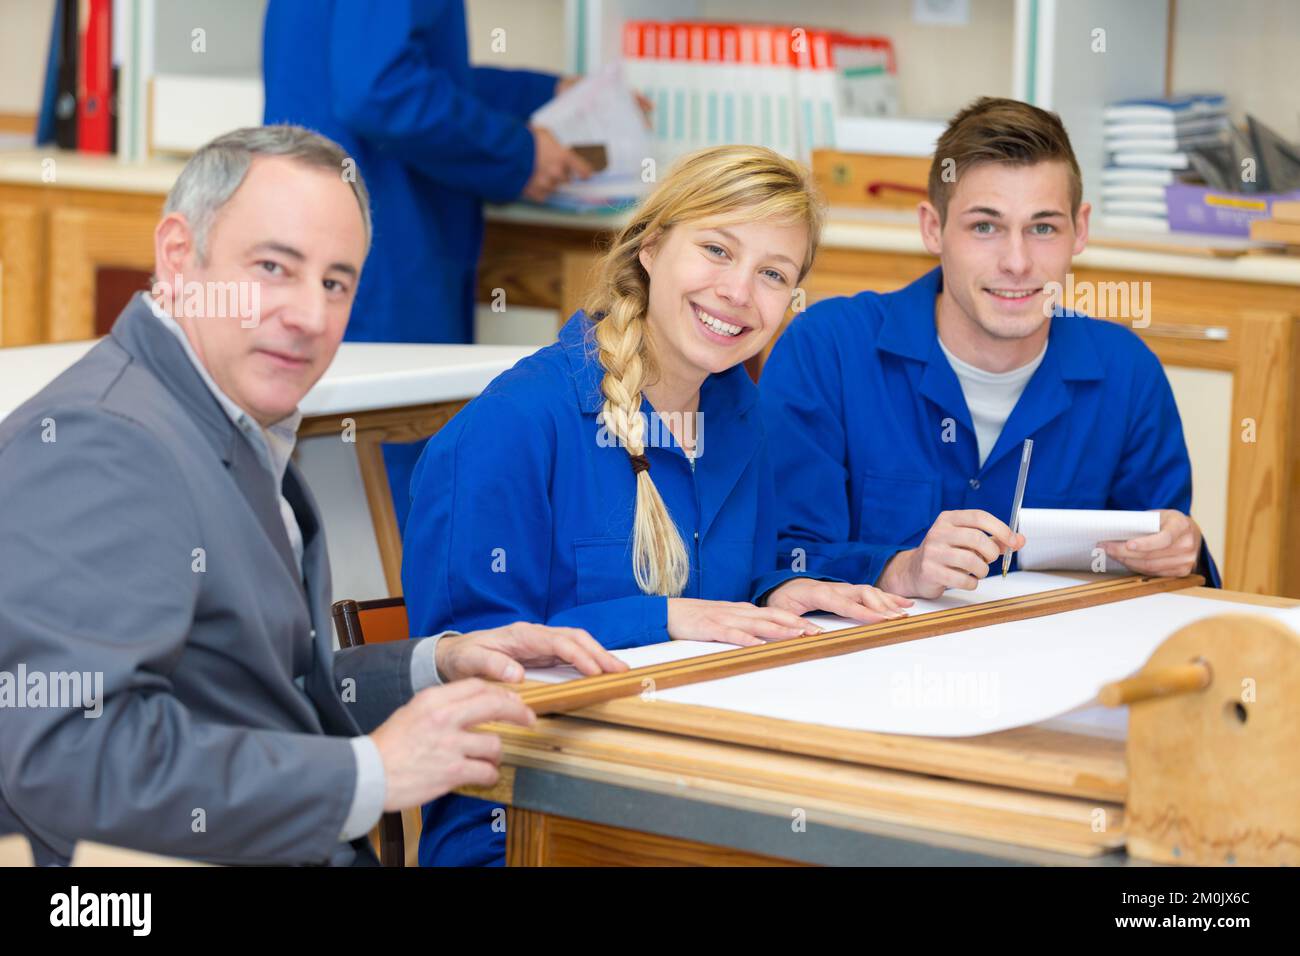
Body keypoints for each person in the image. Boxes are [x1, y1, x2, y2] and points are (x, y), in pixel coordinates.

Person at [0, 126, 624, 866]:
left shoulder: (221, 413)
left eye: (336, 282)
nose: (309, 316)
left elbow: (262, 696)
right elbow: (69, 756)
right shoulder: (101, 442)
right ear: (177, 256)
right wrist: (371, 774)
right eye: (272, 267)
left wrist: (436, 664)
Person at [402, 144, 913, 865]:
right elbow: (479, 673)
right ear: (652, 245)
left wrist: (782, 589)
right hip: (525, 824)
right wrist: (666, 619)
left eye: (773, 274)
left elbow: (728, 588)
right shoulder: (512, 428)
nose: (739, 292)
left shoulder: (745, 419)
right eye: (716, 249)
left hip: (701, 794)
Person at [759, 97, 1220, 599]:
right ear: (933, 228)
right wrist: (899, 569)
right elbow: (778, 558)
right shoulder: (826, 350)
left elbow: (1167, 586)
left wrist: (1183, 551)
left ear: (1079, 230)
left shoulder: (1129, 375)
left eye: (1042, 228)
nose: (1017, 262)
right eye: (985, 226)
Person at [262, 0, 598, 535]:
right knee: (392, 474)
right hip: (385, 240)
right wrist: (516, 152)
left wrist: (539, 95)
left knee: (337, 481)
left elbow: (399, 70)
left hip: (330, 227)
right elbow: (380, 88)